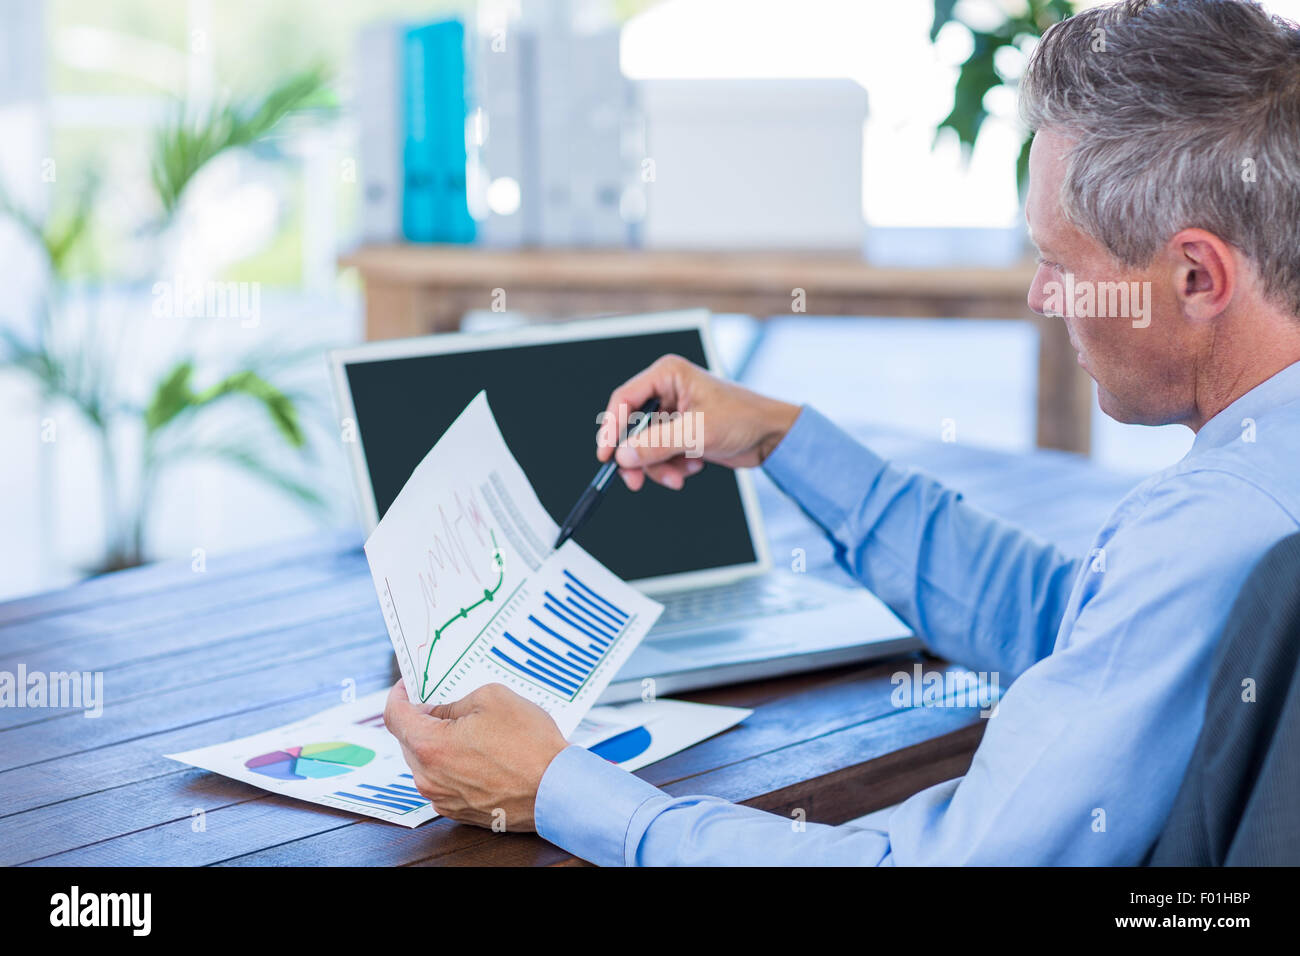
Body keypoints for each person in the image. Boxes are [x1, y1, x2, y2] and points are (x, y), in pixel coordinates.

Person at [383, 0, 1300, 864]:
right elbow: (1070, 624)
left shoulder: (1212, 524)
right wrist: (782, 439)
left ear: (1195, 277)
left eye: (1061, 263)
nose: (1041, 296)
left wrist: (558, 788)